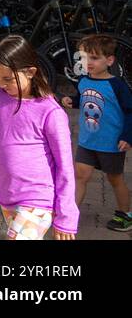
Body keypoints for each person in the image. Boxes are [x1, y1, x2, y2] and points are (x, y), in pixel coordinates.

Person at [0, 35, 78, 240]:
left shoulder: (51, 112)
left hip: (38, 198)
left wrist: (66, 216)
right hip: (7, 195)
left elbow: (64, 166)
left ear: (30, 72)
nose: (1, 84)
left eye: (8, 78)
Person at [61, 34, 132, 231]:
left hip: (111, 143)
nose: (87, 62)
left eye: (93, 58)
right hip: (87, 140)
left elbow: (130, 111)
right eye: (83, 57)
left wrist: (128, 136)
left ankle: (125, 215)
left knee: (115, 179)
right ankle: (69, 215)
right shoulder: (83, 80)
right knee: (80, 176)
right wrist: (72, 101)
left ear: (109, 60)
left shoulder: (117, 85)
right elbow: (83, 99)